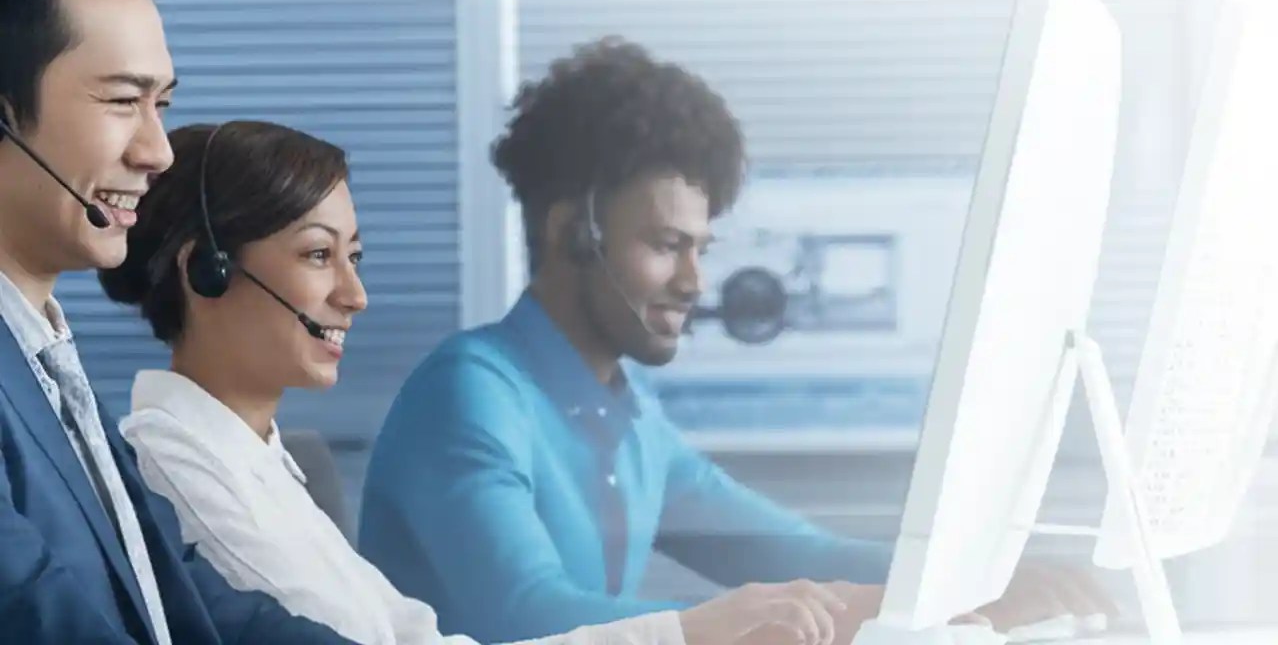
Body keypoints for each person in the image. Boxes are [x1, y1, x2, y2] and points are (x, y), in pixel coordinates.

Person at [358, 37, 1114, 644]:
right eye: (665, 244)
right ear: (573, 232)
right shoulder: (470, 394)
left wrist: (974, 585)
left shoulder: (628, 418)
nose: (694, 281)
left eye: (702, 249)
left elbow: (786, 548)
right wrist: (715, 626)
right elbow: (526, 619)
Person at [100, 119, 874, 645]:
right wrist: (698, 628)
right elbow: (517, 614)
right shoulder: (174, 467)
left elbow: (416, 637)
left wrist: (924, 590)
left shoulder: (260, 461)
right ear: (207, 269)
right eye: (315, 256)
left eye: (355, 258)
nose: (355, 295)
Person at [0, 0, 356, 642]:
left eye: (160, 105)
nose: (157, 151)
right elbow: (37, 616)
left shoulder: (54, 378)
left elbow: (195, 604)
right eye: (123, 101)